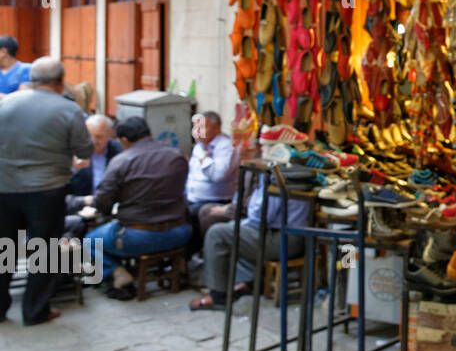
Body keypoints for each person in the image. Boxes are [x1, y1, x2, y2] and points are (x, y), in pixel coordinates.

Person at [0, 57, 93, 324]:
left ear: (32, 79)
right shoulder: (68, 110)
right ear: (61, 82)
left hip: (4, 188)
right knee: (44, 251)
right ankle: (35, 311)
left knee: (4, 247)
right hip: (46, 191)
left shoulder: (6, 103)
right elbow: (84, 150)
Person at [84, 116, 191, 299]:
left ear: (124, 140)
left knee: (88, 242)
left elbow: (103, 203)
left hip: (138, 237)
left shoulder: (122, 161)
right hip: (180, 233)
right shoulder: (177, 154)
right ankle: (178, 264)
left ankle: (117, 273)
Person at [191, 171, 312, 311]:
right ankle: (245, 281)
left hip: (284, 240)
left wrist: (244, 215)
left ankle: (219, 296)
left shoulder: (279, 175)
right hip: (287, 235)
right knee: (230, 229)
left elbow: (260, 217)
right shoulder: (282, 173)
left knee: (217, 234)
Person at [185, 111, 241, 255]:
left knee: (194, 214)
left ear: (216, 128)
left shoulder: (226, 146)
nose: (196, 131)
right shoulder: (199, 147)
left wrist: (205, 160)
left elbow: (218, 175)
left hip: (216, 200)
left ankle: (197, 255)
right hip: (193, 198)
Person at [63, 114, 122, 238]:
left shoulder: (118, 150)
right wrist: (73, 168)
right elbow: (59, 185)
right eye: (90, 136)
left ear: (109, 134)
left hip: (109, 205)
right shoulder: (73, 150)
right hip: (79, 206)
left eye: (99, 137)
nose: (94, 141)